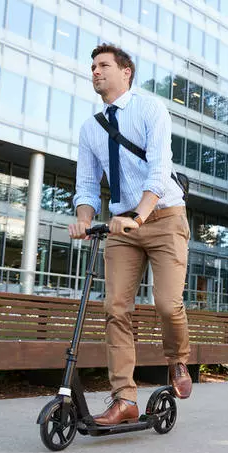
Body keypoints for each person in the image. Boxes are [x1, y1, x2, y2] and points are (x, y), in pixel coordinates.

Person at [69, 43, 192, 426]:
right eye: (91, 66)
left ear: (126, 72)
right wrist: (84, 218)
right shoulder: (90, 128)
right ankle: (124, 398)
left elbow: (159, 169)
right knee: (114, 308)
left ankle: (178, 360)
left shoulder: (151, 109)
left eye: (103, 65)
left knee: (168, 304)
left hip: (164, 216)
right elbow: (87, 185)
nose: (95, 71)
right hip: (122, 225)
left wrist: (139, 215)